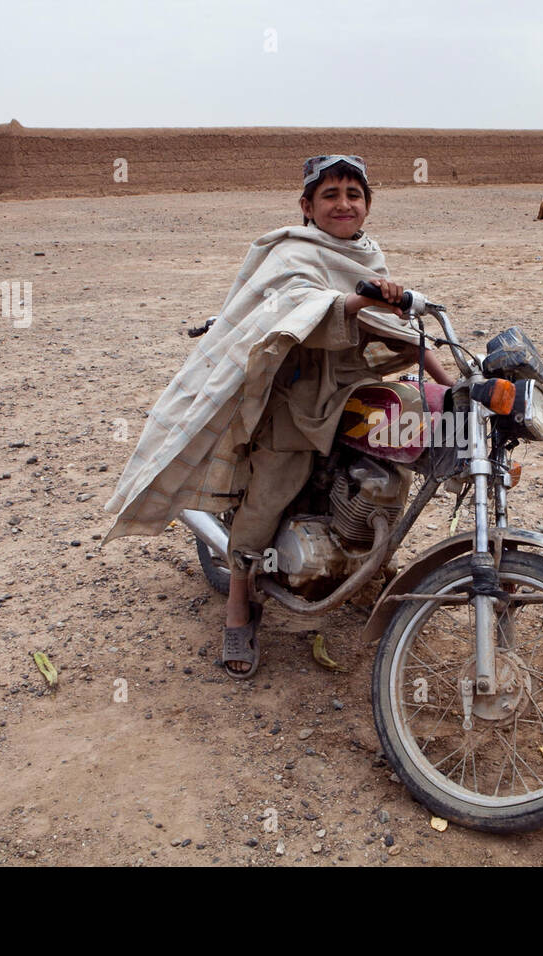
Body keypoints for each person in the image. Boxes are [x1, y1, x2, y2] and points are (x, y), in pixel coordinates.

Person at [102, 154, 455, 678]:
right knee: (271, 491)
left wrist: (453, 384)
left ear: (368, 206)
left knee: (395, 460)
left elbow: (399, 331)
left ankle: (367, 555)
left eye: (353, 195)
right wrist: (355, 305)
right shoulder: (291, 252)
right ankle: (240, 606)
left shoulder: (369, 258)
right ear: (307, 206)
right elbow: (295, 308)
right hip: (294, 393)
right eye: (330, 195)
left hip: (350, 388)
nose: (342, 204)